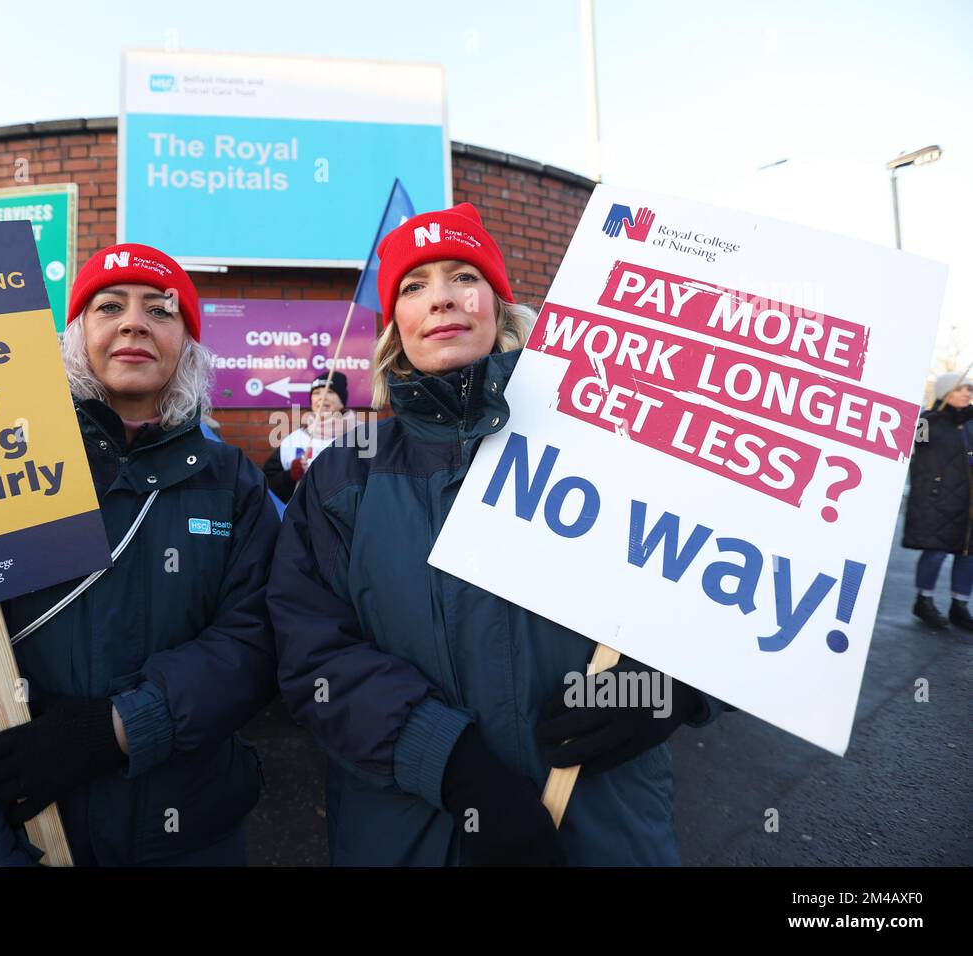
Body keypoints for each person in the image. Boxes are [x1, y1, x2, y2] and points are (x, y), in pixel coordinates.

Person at [268, 203, 724, 866]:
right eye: (415, 286)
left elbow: (730, 584)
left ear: (499, 303)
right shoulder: (344, 476)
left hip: (602, 830)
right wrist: (445, 759)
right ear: (395, 320)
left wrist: (672, 689)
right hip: (406, 833)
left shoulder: (610, 444)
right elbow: (309, 653)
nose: (444, 299)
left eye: (463, 276)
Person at [0, 243, 280, 865]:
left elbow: (257, 636)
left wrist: (126, 726)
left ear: (187, 345)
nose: (134, 322)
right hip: (21, 835)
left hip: (194, 833)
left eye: (161, 311)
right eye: (110, 306)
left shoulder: (232, 481)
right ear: (75, 337)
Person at [903, 370, 973, 631]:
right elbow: (912, 447)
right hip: (938, 501)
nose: (967, 393)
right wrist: (930, 416)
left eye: (969, 390)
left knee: (968, 555)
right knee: (936, 552)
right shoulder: (928, 421)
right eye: (960, 389)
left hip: (969, 505)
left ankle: (960, 606)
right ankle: (924, 600)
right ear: (945, 393)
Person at [262, 372, 353, 502]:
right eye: (316, 393)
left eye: (330, 391)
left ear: (342, 401)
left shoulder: (358, 437)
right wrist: (290, 477)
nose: (322, 397)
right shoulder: (294, 440)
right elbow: (269, 484)